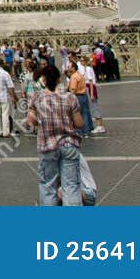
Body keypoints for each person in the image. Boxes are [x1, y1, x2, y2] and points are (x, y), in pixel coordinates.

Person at [26, 63, 84, 206]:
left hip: (47, 146)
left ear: (43, 80)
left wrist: (40, 121)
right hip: (69, 144)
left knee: (48, 186)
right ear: (59, 79)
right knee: (71, 186)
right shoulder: (70, 98)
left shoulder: (37, 98)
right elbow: (79, 124)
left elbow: (30, 122)